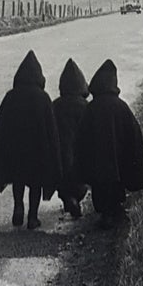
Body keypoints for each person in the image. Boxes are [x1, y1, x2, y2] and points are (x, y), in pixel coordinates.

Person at [0, 50, 61, 230]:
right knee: (35, 184)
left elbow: (0, 127)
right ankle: (33, 216)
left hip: (16, 149)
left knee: (18, 180)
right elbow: (52, 130)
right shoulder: (43, 98)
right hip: (37, 150)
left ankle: (18, 207)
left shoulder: (11, 97)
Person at [74, 59, 143, 228]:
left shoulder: (91, 108)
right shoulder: (121, 107)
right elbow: (134, 134)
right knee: (115, 187)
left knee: (100, 189)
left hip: (98, 164)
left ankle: (105, 214)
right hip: (118, 164)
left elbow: (81, 137)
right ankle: (116, 211)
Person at [51, 58, 90, 218]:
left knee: (64, 183)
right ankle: (76, 200)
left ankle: (68, 199)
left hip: (61, 155)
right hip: (80, 154)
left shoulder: (55, 105)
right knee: (80, 181)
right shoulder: (85, 106)